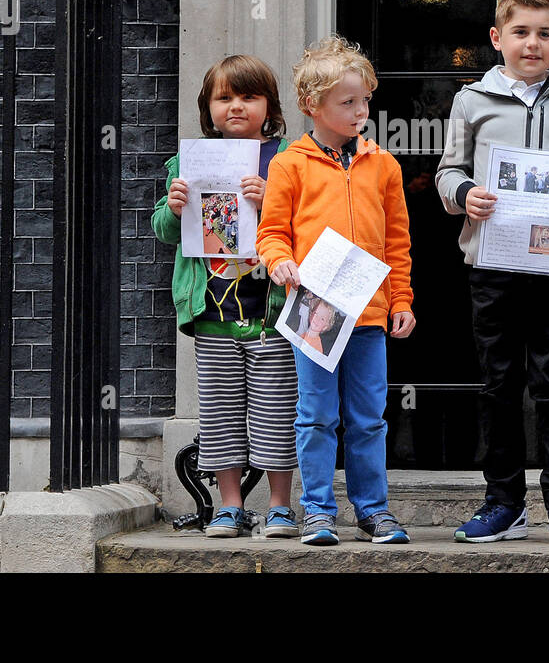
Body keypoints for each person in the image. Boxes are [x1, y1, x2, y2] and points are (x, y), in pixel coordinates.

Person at [435, 0, 549, 546]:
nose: (531, 43)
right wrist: (466, 194)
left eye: (543, 34)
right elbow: (446, 172)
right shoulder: (471, 101)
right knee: (499, 386)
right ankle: (504, 502)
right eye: (520, 32)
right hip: (493, 265)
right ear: (497, 39)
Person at [257, 36, 416, 546]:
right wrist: (279, 261)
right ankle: (319, 511)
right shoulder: (289, 164)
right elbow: (271, 232)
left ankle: (374, 511)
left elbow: (397, 242)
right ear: (312, 106)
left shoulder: (384, 165)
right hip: (316, 311)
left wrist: (402, 299)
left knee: (369, 420)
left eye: (365, 100)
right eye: (348, 102)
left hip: (370, 312)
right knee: (316, 416)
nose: (361, 111)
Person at [151, 54, 300, 539]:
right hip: (212, 311)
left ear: (269, 106)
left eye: (248, 96)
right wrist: (173, 209)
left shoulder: (289, 159)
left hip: (272, 314)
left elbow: (310, 229)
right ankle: (229, 505)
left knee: (276, 410)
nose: (236, 106)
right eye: (224, 97)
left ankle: (280, 505)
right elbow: (163, 231)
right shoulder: (186, 161)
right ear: (208, 108)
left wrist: (269, 199)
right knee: (218, 413)